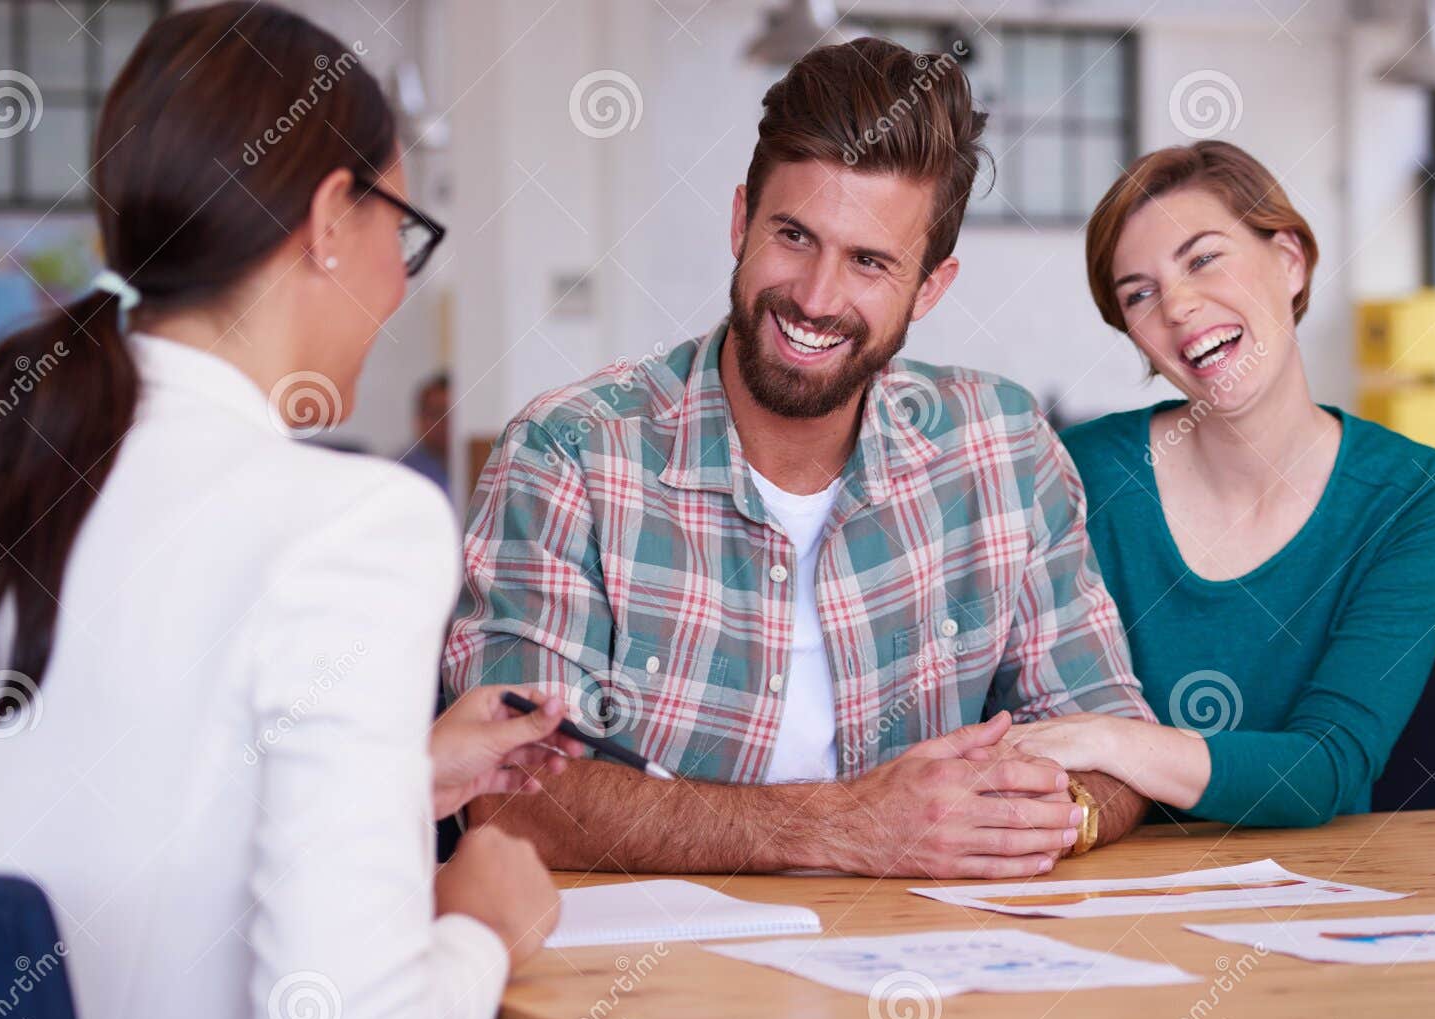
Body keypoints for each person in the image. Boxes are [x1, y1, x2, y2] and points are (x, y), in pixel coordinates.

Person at [0, 2, 577, 1019]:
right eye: (405, 235)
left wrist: (401, 776)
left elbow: (104, 808)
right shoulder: (352, 524)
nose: (396, 285)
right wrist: (484, 924)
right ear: (334, 217)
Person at [444, 37, 1157, 878]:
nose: (817, 297)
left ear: (930, 285)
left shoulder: (1002, 447)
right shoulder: (571, 453)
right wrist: (845, 826)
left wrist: (1050, 819)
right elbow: (507, 791)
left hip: (934, 973)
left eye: (869, 262)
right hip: (651, 991)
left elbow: (1111, 740)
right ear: (742, 220)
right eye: (793, 236)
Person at [1006, 141, 1435, 826]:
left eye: (1202, 259)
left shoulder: (1420, 495)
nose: (1177, 306)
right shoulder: (1077, 473)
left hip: (1316, 893)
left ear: (1290, 260)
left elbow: (1325, 768)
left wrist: (1114, 740)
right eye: (1139, 294)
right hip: (1101, 886)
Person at [398, 372, 451, 493]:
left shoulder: (477, 470)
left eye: (451, 414)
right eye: (436, 413)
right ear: (419, 419)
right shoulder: (400, 471)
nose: (444, 422)